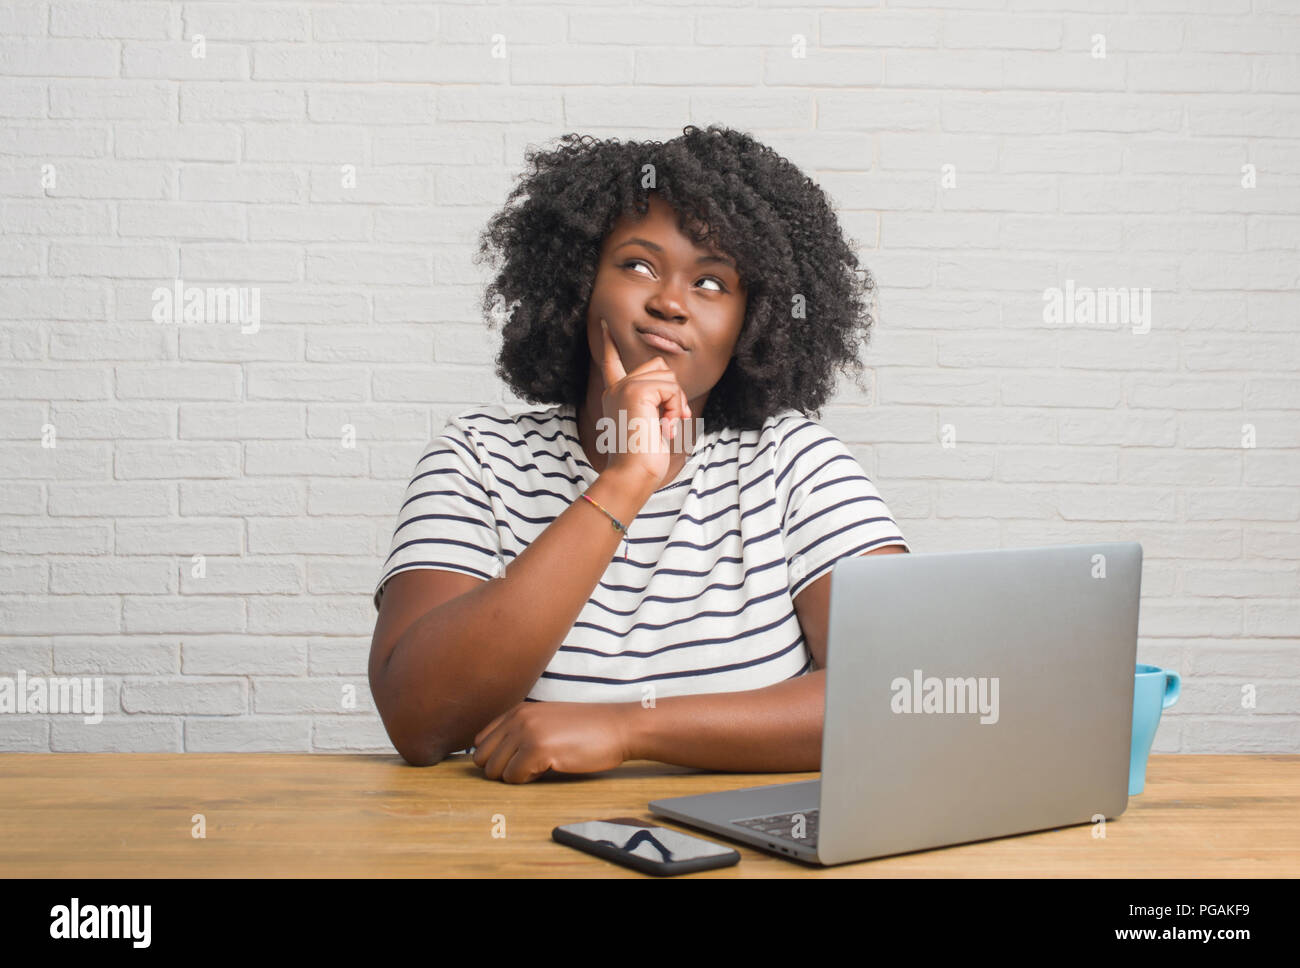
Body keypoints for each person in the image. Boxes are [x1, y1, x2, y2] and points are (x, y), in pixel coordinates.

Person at [369, 125, 910, 782]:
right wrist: (627, 477)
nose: (670, 302)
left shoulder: (793, 466)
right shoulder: (477, 460)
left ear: (752, 321)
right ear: (578, 286)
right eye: (638, 265)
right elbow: (419, 720)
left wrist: (629, 731)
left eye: (712, 283)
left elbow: (892, 693)